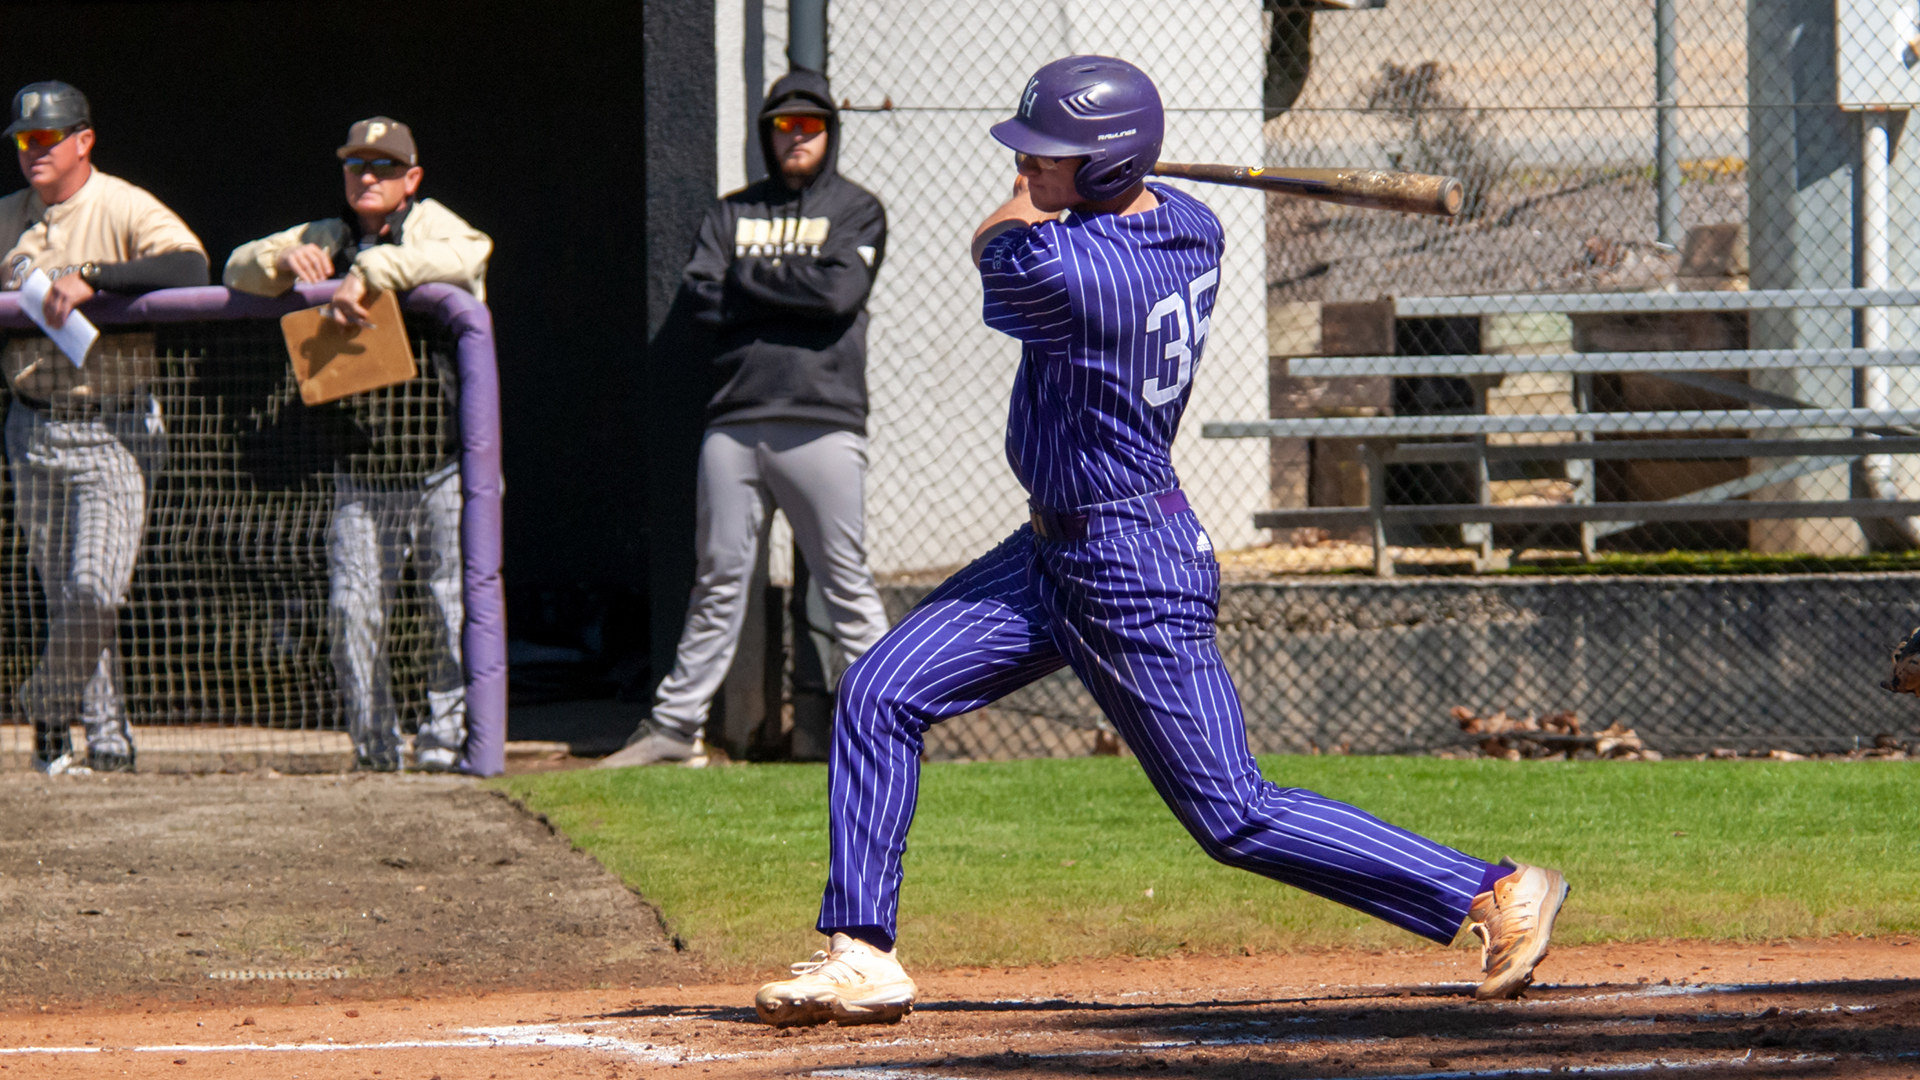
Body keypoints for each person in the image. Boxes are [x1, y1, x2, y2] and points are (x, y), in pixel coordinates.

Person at [752, 57, 1570, 1028]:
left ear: (1104, 166)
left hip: (1127, 567)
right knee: (882, 691)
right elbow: (1126, 205)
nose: (1029, 169)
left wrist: (1028, 197)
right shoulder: (1192, 224)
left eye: (1050, 155)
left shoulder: (1067, 271)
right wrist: (1082, 174)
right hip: (1051, 555)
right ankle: (862, 953)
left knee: (1234, 815)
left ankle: (1492, 889)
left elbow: (996, 241)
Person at [600, 68, 890, 768]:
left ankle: (894, 723)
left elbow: (838, 296)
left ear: (830, 132)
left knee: (845, 582)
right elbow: (702, 304)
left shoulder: (858, 208)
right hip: (734, 420)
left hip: (822, 420)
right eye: (784, 125)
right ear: (767, 134)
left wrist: (748, 284)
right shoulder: (728, 213)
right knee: (718, 579)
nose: (796, 136)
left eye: (810, 125)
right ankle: (675, 730)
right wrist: (796, 284)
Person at [224, 117, 492, 772]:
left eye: (384, 166)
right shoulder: (327, 235)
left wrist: (373, 270)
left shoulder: (431, 224)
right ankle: (376, 752)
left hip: (442, 465)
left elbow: (473, 253)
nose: (368, 177)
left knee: (448, 606)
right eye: (356, 166)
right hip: (362, 469)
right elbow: (232, 268)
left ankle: (443, 741)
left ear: (412, 178)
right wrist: (282, 261)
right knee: (350, 613)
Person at [0, 81, 209, 775]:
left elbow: (190, 264)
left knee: (93, 590)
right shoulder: (10, 216)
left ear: (83, 140)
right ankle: (99, 746)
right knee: (65, 596)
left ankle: (47, 701)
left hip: (111, 426)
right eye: (24, 140)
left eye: (46, 138)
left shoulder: (120, 202)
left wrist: (94, 275)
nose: (32, 151)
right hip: (31, 427)